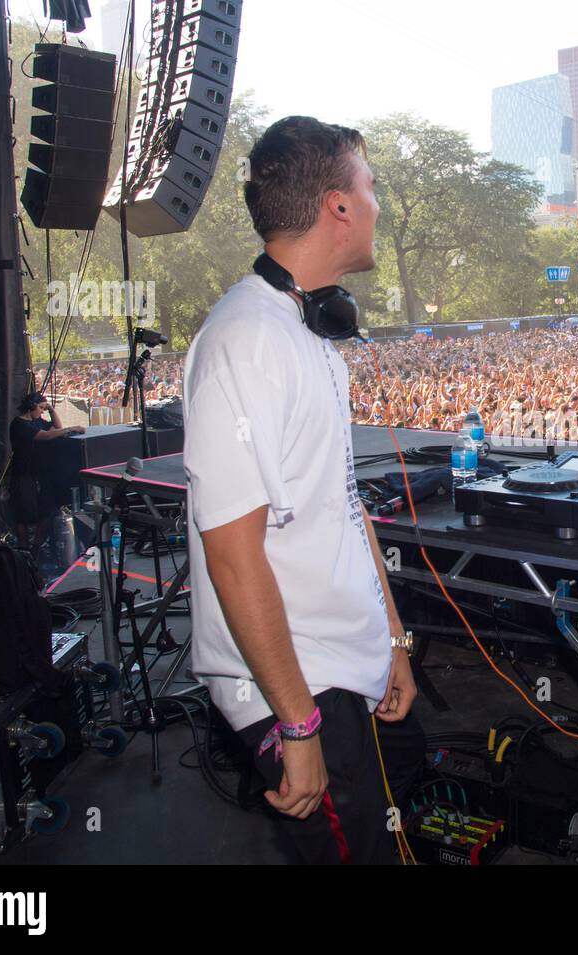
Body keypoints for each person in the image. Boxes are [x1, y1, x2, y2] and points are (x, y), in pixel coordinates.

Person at [183, 116, 417, 864]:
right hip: (301, 689)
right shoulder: (244, 340)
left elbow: (344, 506)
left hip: (343, 668)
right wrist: (296, 724)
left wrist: (392, 639)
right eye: (370, 187)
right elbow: (232, 553)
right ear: (337, 207)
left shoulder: (307, 332)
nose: (378, 204)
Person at [8, 391, 83, 554]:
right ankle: (23, 546)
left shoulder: (38, 421)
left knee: (46, 508)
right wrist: (72, 428)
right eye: (40, 408)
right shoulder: (19, 424)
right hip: (23, 473)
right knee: (23, 510)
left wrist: (51, 409)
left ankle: (36, 546)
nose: (42, 411)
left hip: (40, 472)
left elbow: (57, 427)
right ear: (31, 407)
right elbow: (45, 436)